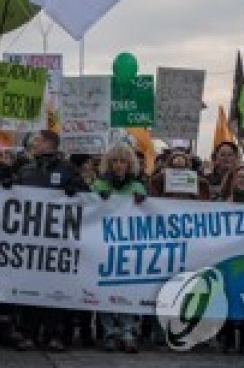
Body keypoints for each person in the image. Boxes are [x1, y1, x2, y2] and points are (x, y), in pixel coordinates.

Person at [5, 130, 86, 352]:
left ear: (49, 144)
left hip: (57, 242)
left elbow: (88, 198)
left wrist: (76, 190)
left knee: (55, 290)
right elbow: (12, 191)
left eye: (38, 141)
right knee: (30, 287)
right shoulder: (26, 169)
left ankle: (54, 335)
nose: (34, 144)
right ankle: (27, 333)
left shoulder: (67, 169)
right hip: (31, 241)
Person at [91, 143, 146, 353]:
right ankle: (109, 333)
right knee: (105, 289)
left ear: (129, 164)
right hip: (104, 245)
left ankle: (127, 332)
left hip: (128, 247)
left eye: (123, 161)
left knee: (126, 289)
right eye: (114, 161)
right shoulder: (99, 185)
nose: (119, 165)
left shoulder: (137, 187)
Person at [219, 164, 244, 355]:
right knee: (227, 297)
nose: (243, 180)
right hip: (227, 256)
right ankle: (228, 341)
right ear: (232, 179)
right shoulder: (221, 202)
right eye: (239, 176)